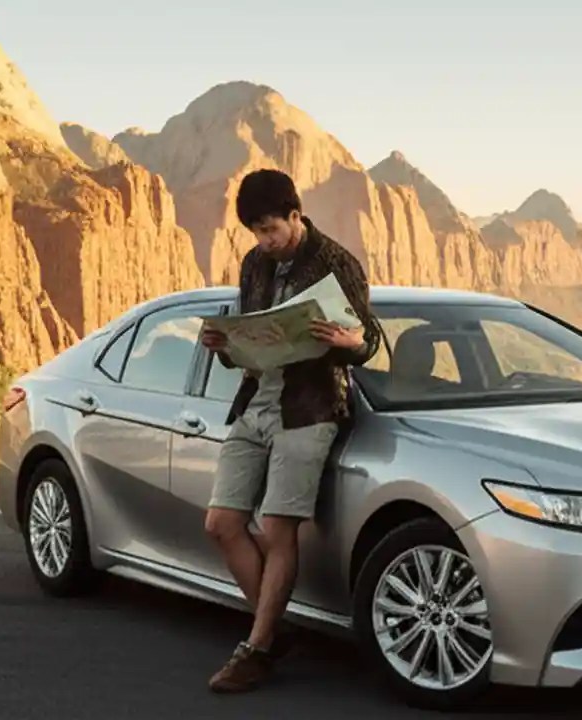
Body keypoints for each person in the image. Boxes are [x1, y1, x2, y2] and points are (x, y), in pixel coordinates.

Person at [199, 168, 381, 693]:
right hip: (257, 402)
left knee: (279, 529)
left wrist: (348, 340)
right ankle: (274, 632)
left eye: (271, 229)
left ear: (295, 215)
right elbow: (248, 348)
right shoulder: (254, 264)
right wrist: (226, 346)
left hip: (310, 408)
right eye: (256, 231)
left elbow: (368, 340)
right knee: (221, 523)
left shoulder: (337, 263)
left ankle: (255, 649)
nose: (265, 240)